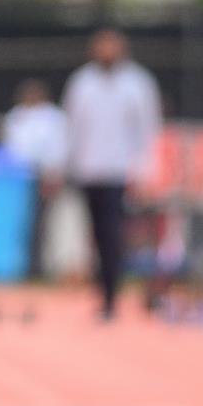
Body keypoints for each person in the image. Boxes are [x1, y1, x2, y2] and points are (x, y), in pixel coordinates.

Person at [60, 28, 160, 322]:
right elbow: (72, 128)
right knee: (97, 236)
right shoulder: (82, 83)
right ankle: (104, 291)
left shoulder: (137, 84)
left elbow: (146, 131)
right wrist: (67, 165)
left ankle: (111, 296)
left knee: (114, 234)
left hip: (120, 171)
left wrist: (143, 171)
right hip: (89, 170)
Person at [1, 79, 68, 283]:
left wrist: (53, 173)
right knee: (21, 224)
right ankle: (23, 268)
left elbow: (57, 147)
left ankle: (43, 267)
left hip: (44, 175)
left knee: (44, 225)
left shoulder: (53, 117)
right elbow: (12, 147)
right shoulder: (16, 116)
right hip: (20, 177)